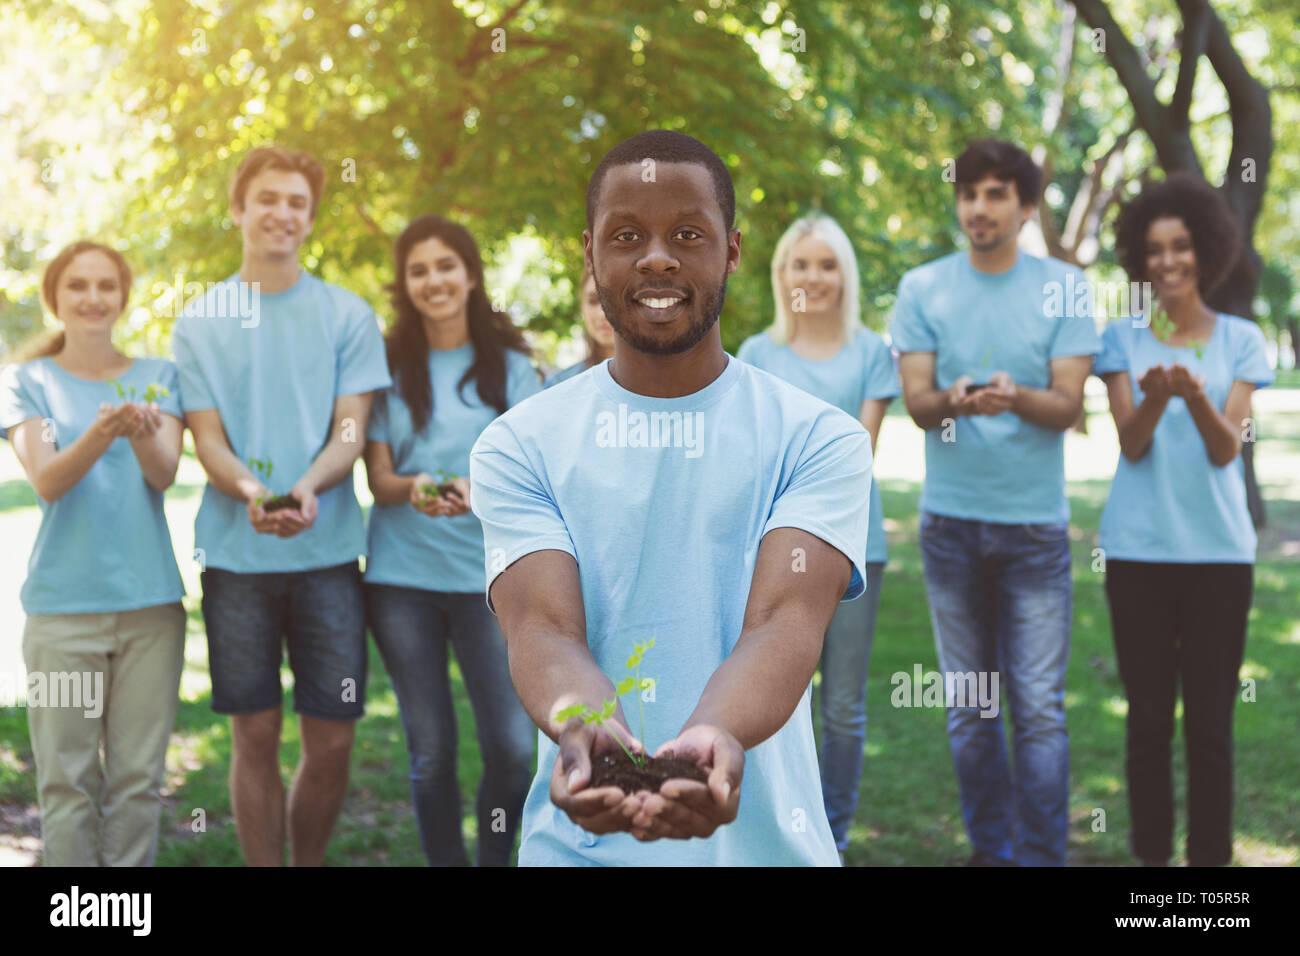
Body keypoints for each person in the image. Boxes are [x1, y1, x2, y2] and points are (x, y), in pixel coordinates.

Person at [470, 129, 872, 866]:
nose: (657, 256)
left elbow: (783, 622)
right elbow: (546, 631)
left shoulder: (820, 439)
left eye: (688, 233)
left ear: (733, 250)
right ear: (590, 254)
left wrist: (711, 735)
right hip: (578, 850)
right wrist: (589, 728)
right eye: (627, 236)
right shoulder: (518, 445)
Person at [171, 146, 392, 866]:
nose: (283, 214)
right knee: (255, 734)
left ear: (310, 218)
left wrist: (308, 488)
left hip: (329, 557)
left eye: (298, 202)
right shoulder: (200, 321)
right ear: (238, 209)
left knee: (332, 737)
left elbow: (351, 429)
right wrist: (254, 495)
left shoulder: (347, 314)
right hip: (236, 558)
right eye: (268, 199)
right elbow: (206, 440)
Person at [890, 139, 1100, 866]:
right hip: (949, 526)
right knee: (970, 709)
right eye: (969, 194)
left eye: (996, 194)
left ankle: (1042, 857)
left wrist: (1018, 397)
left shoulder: (1065, 289)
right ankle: (993, 852)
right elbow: (917, 403)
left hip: (1034, 530)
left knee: (1038, 711)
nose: (979, 208)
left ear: (1025, 205)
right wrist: (953, 399)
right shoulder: (923, 288)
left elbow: (1069, 406)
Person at [1097, 173, 1272, 867]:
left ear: (1207, 250)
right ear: (1140, 260)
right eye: (1155, 250)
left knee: (1209, 729)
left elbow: (1228, 446)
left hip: (1219, 561)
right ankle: (1151, 869)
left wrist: (1192, 394)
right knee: (1146, 726)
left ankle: (1208, 873)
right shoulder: (1120, 339)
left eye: (1182, 247)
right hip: (1138, 557)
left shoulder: (1241, 340)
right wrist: (1159, 397)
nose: (1168, 261)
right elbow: (1130, 442)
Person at [0, 241, 186, 866]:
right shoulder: (27, 381)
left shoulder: (161, 376)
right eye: (77, 285)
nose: (92, 298)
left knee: (138, 782)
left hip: (150, 610)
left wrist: (136, 436)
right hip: (63, 614)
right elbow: (47, 480)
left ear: (123, 297)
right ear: (55, 296)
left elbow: (163, 475)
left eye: (106, 285)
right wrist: (101, 431)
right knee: (67, 783)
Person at [362, 215, 540, 866]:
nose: (432, 280)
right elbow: (379, 478)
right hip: (401, 581)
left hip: (489, 582)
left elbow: (529, 474)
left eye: (445, 266)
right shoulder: (383, 368)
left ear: (469, 275)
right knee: (430, 747)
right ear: (405, 285)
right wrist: (414, 488)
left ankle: (495, 859)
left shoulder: (514, 370)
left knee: (512, 745)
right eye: (418, 270)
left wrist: (479, 488)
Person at [736, 212, 899, 855]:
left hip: (856, 549)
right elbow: (747, 463)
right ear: (782, 273)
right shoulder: (756, 356)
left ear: (845, 275)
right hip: (768, 555)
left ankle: (832, 836)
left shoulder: (870, 354)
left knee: (843, 710)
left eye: (827, 264)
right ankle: (778, 833)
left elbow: (858, 457)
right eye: (801, 263)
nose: (814, 276)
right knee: (776, 695)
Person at [544, 264, 615, 387]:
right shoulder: (560, 385)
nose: (602, 313)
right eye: (593, 301)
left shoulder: (656, 384)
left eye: (613, 300)